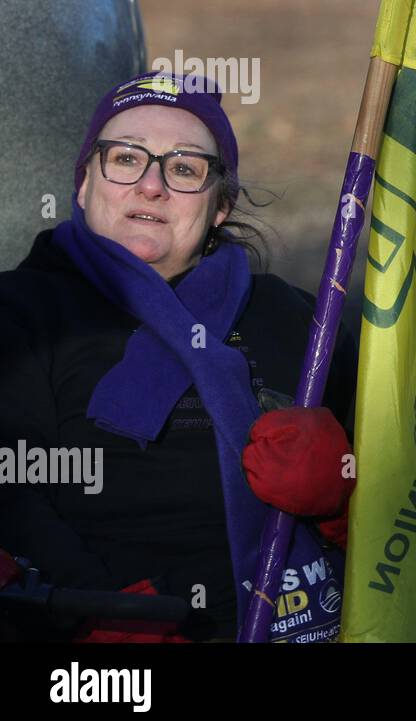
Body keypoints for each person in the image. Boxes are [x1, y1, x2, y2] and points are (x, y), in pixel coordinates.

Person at [0, 72, 358, 642]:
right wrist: (94, 612)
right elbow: (9, 491)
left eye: (185, 168)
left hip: (302, 619)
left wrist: (346, 491)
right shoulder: (19, 312)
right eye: (125, 159)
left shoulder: (300, 319)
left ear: (220, 206)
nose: (152, 186)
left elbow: (411, 484)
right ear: (84, 183)